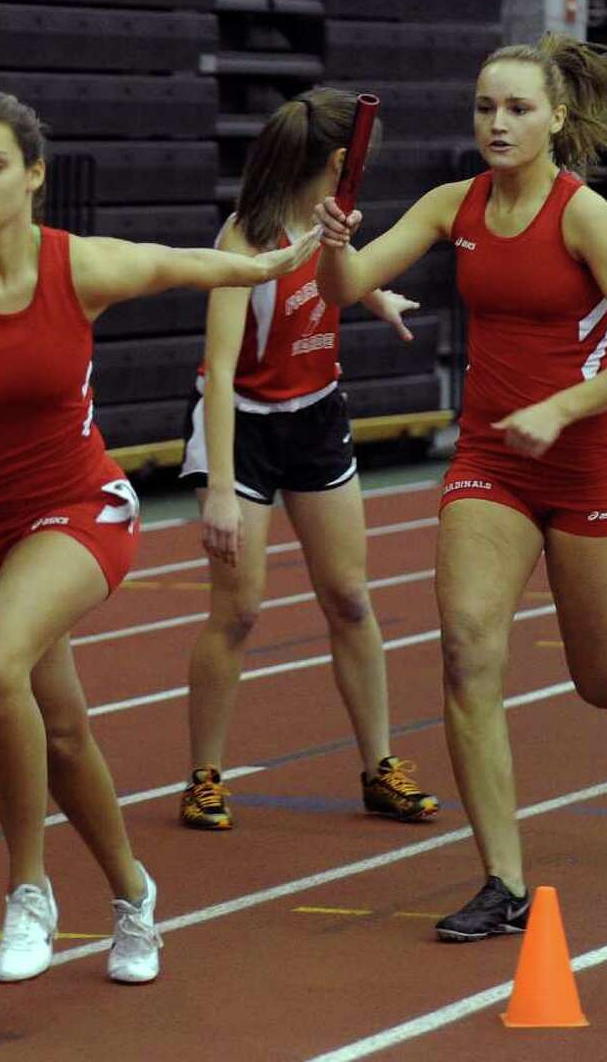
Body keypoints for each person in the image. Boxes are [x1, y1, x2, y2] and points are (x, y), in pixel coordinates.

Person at [0, 90, 322, 985]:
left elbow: (186, 267)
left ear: (33, 175)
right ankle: (134, 893)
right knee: (59, 732)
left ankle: (28, 892)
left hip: (77, 505)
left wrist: (287, 256)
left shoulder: (79, 267)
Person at [313, 34, 607, 942]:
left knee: (605, 685)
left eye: (516, 109)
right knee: (466, 649)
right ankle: (501, 881)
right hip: (491, 462)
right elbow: (344, 287)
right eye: (484, 108)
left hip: (588, 463)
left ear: (556, 118)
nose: (496, 125)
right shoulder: (449, 204)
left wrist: (565, 407)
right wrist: (335, 244)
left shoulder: (583, 216)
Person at [177, 88, 439, 831]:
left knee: (352, 599)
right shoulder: (244, 240)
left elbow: (332, 281)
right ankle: (204, 776)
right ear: (336, 162)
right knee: (240, 610)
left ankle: (380, 766)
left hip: (317, 415)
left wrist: (375, 296)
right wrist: (221, 489)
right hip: (245, 426)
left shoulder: (335, 227)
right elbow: (221, 371)